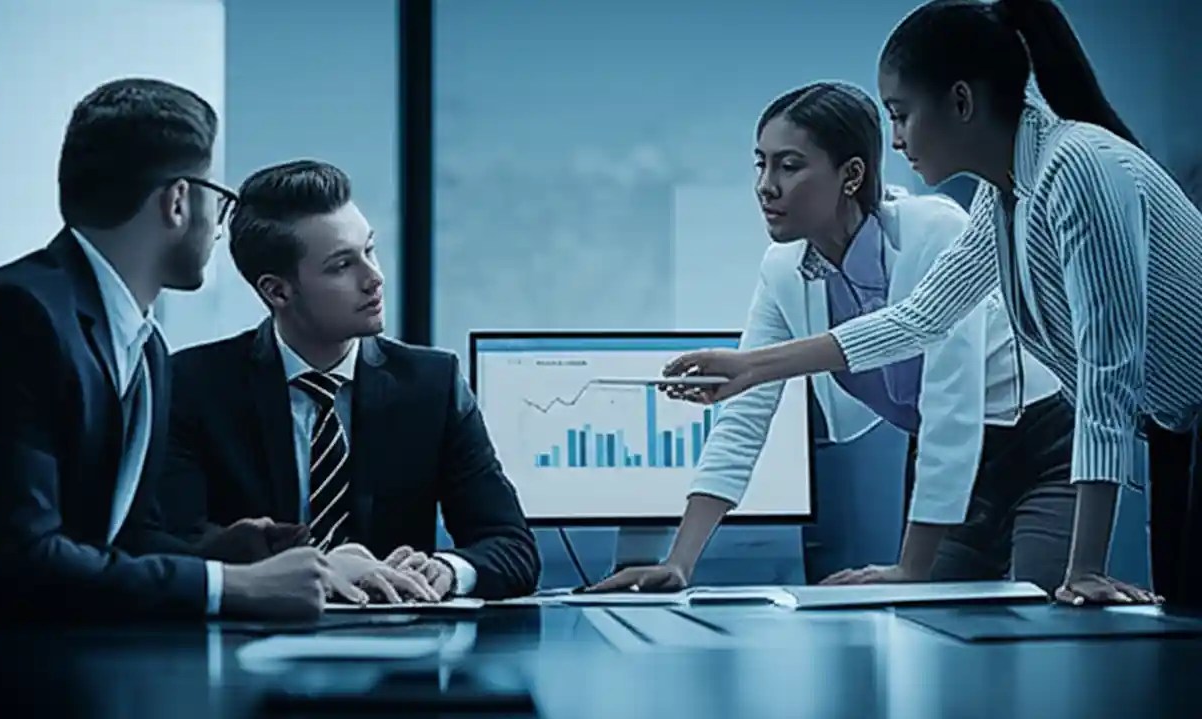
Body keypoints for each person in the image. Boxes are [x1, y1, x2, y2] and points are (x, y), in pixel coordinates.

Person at [658, 0, 1202, 608]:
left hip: (1093, 429)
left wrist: (1086, 567)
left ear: (961, 102)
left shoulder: (1074, 167)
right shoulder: (1005, 194)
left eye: (901, 116)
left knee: (1117, 622)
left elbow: (1108, 369)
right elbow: (920, 318)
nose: (896, 140)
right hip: (1176, 427)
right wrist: (752, 367)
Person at [588, 80, 1072, 595]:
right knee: (936, 621)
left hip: (1039, 447)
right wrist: (680, 562)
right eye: (761, 164)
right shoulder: (783, 271)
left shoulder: (936, 231)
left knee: (1041, 611)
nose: (766, 186)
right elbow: (745, 415)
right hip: (948, 463)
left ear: (851, 175)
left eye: (789, 166)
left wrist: (910, 569)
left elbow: (951, 409)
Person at [0, 78, 360, 628]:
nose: (219, 224)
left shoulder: (146, 347)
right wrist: (231, 585)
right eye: (219, 200)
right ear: (178, 201)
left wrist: (219, 553)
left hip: (76, 656)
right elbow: (18, 561)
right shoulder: (11, 318)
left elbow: (114, 541)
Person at [159, 159, 541, 601]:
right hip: (253, 629)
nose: (374, 278)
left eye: (370, 250)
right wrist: (315, 568)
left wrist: (448, 571)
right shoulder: (193, 385)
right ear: (277, 291)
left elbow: (512, 547)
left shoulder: (432, 385)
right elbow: (173, 547)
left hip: (399, 633)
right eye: (342, 265)